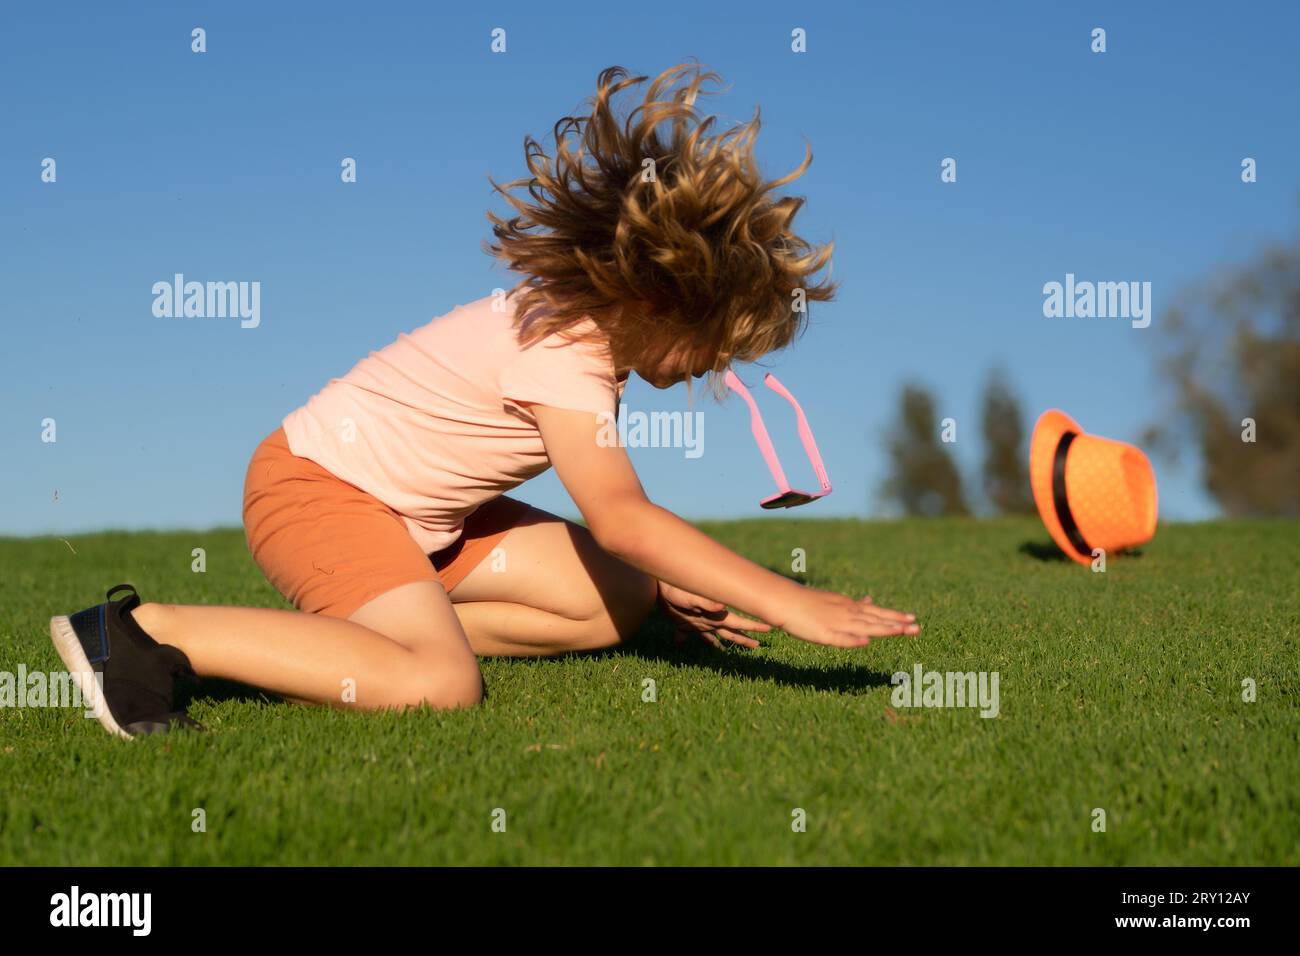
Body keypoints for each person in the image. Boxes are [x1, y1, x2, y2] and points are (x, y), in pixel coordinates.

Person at [48, 62, 919, 739]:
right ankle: (136, 634)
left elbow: (623, 549)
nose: (712, 369)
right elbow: (621, 516)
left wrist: (662, 587)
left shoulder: (589, 341)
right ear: (659, 299)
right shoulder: (567, 352)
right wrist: (789, 600)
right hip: (318, 491)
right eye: (713, 346)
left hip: (421, 527)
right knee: (443, 686)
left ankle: (356, 628)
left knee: (621, 599)